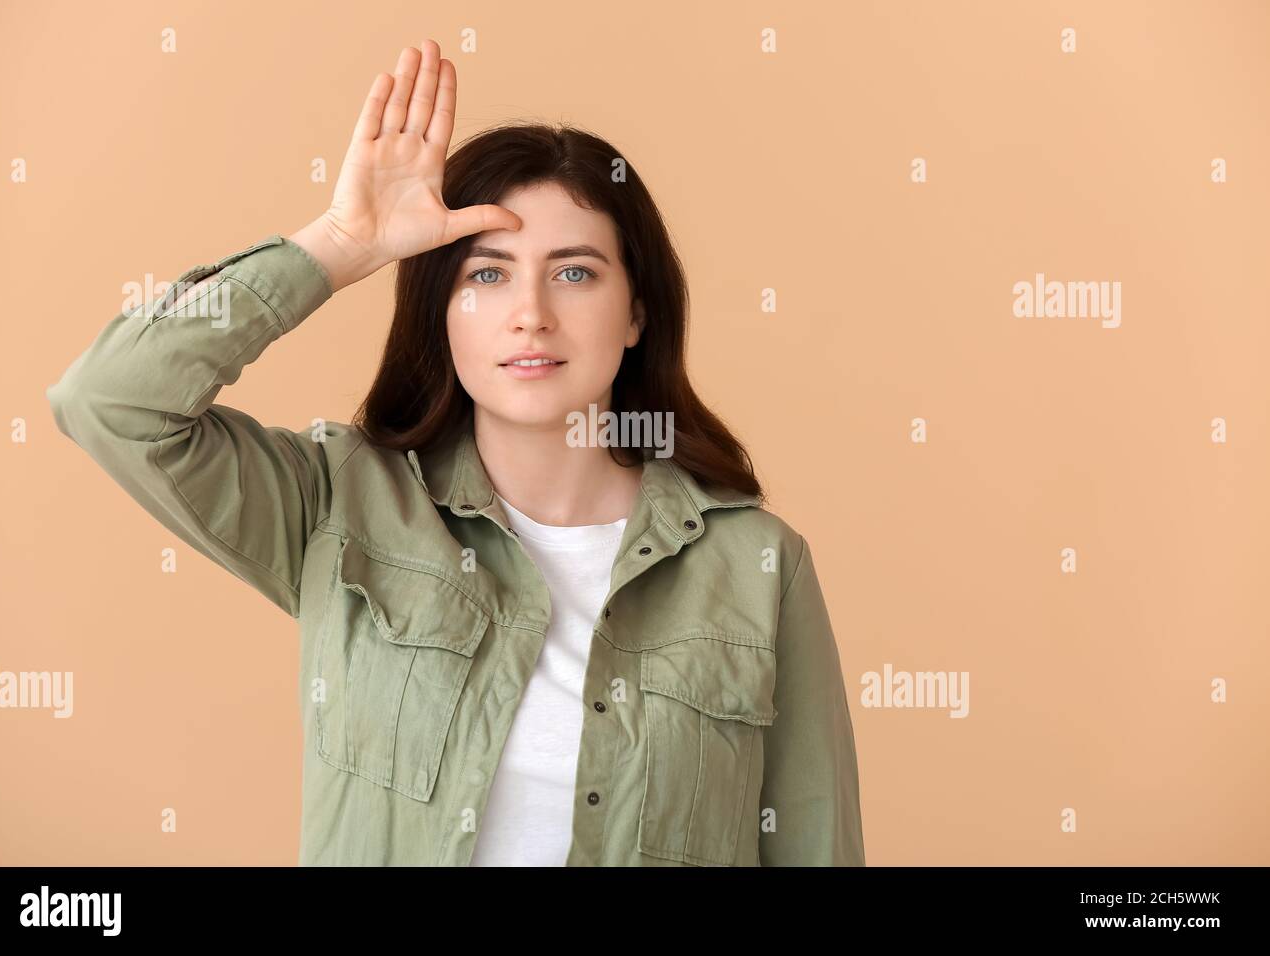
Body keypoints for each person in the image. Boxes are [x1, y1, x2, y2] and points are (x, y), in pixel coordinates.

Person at [46, 38, 865, 867]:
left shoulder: (759, 565)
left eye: (575, 274)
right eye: (487, 275)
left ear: (636, 316)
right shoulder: (341, 504)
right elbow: (111, 401)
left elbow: (815, 845)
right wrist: (338, 244)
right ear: (440, 307)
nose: (531, 314)